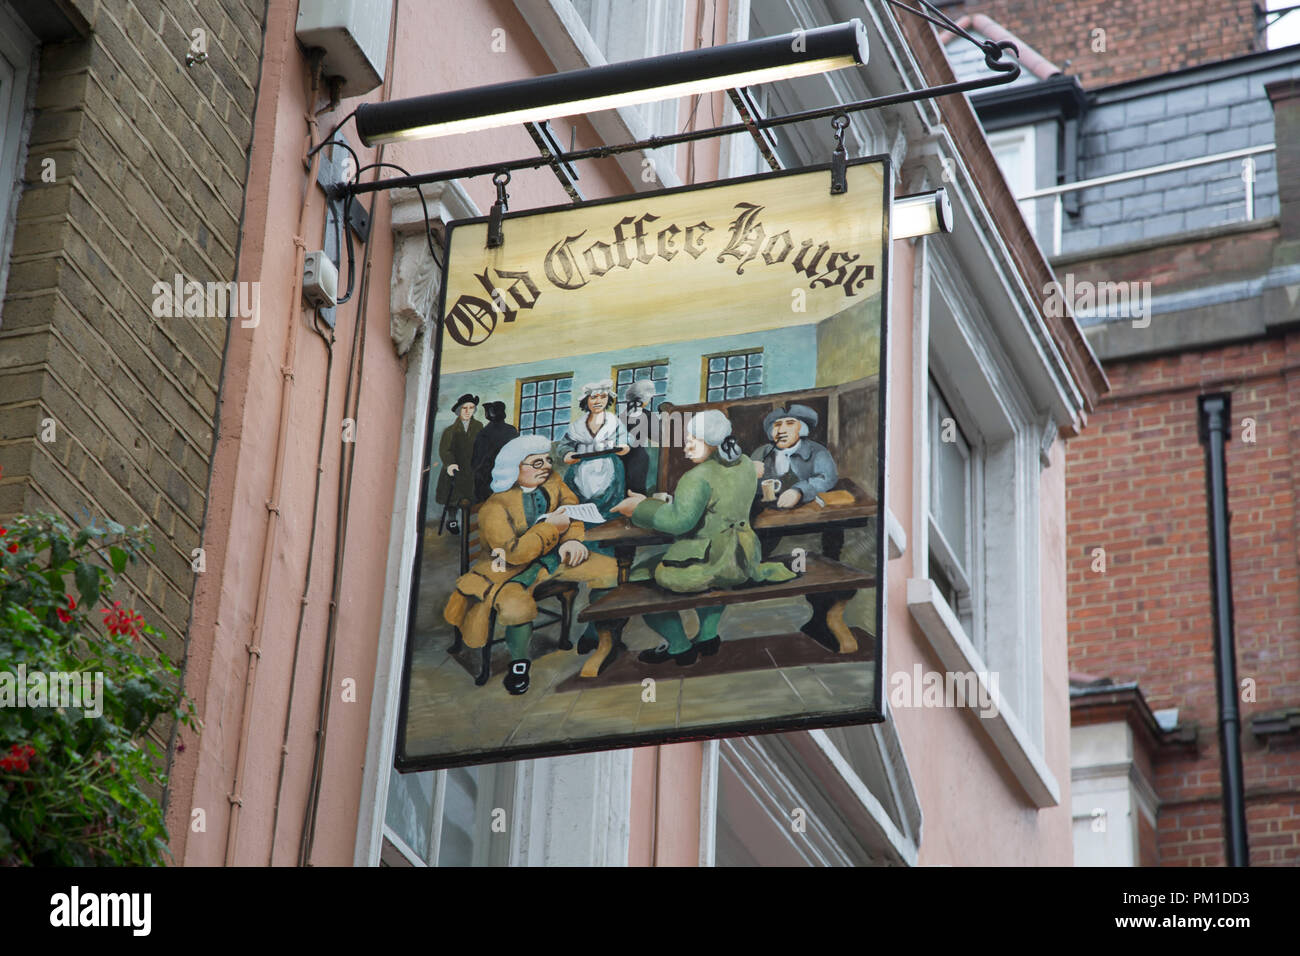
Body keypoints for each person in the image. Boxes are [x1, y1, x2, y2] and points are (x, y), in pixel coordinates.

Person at [610, 410, 797, 666]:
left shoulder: (696, 477)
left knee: (639, 576)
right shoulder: (743, 464)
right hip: (741, 559)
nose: (686, 445)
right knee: (711, 580)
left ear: (710, 442)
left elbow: (679, 522)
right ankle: (708, 636)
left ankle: (679, 647)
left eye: (692, 439)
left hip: (709, 564)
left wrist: (638, 509)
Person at [442, 435, 617, 695]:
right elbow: (512, 553)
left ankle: (599, 633)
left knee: (609, 570)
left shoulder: (554, 481)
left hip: (552, 559)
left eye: (547, 460)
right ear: (514, 468)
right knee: (515, 608)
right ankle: (519, 664)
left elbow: (571, 507)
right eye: (536, 463)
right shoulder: (495, 506)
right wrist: (550, 529)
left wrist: (572, 540)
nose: (546, 467)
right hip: (506, 571)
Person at [556, 380, 630, 519]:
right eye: (593, 397)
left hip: (609, 466)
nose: (598, 401)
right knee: (579, 503)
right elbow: (564, 446)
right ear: (586, 400)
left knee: (608, 504)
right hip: (581, 468)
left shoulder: (614, 422)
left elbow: (624, 439)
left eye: (603, 397)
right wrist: (568, 453)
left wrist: (623, 446)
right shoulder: (577, 426)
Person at [751, 404, 838, 509]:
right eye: (777, 424)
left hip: (805, 509)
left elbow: (827, 478)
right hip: (768, 511)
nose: (781, 430)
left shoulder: (818, 452)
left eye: (790, 423)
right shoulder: (760, 453)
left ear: (801, 429)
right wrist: (748, 473)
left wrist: (799, 491)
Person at [435, 393, 482, 534]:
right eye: (464, 408)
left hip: (472, 468)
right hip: (456, 468)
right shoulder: (450, 431)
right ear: (459, 410)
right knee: (453, 500)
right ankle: (452, 521)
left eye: (471, 408)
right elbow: (445, 450)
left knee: (471, 497)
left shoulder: (479, 427)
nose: (468, 411)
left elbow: (482, 445)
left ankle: (470, 524)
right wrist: (450, 464)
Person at [471, 401, 518, 503]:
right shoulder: (511, 430)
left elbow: (477, 459)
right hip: (495, 473)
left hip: (491, 473)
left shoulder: (485, 433)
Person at [620, 379, 659, 496]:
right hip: (638, 457)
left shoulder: (620, 416)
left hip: (621, 458)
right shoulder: (646, 416)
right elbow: (658, 438)